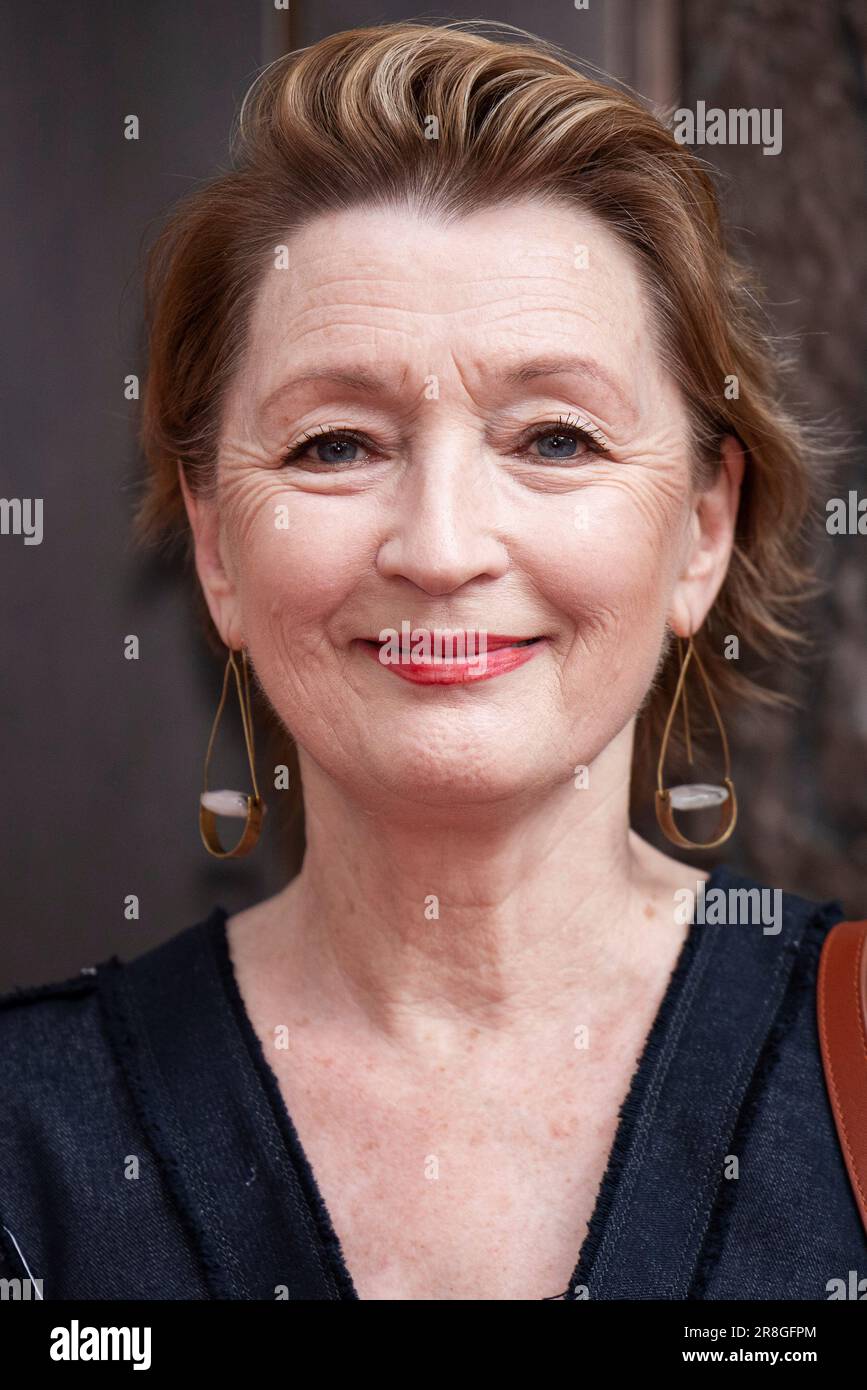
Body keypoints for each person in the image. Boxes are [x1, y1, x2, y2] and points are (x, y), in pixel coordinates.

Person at [1, 21, 864, 1301]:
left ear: (702, 527)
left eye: (557, 438)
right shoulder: (29, 1140)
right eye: (335, 444)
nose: (443, 545)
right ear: (215, 545)